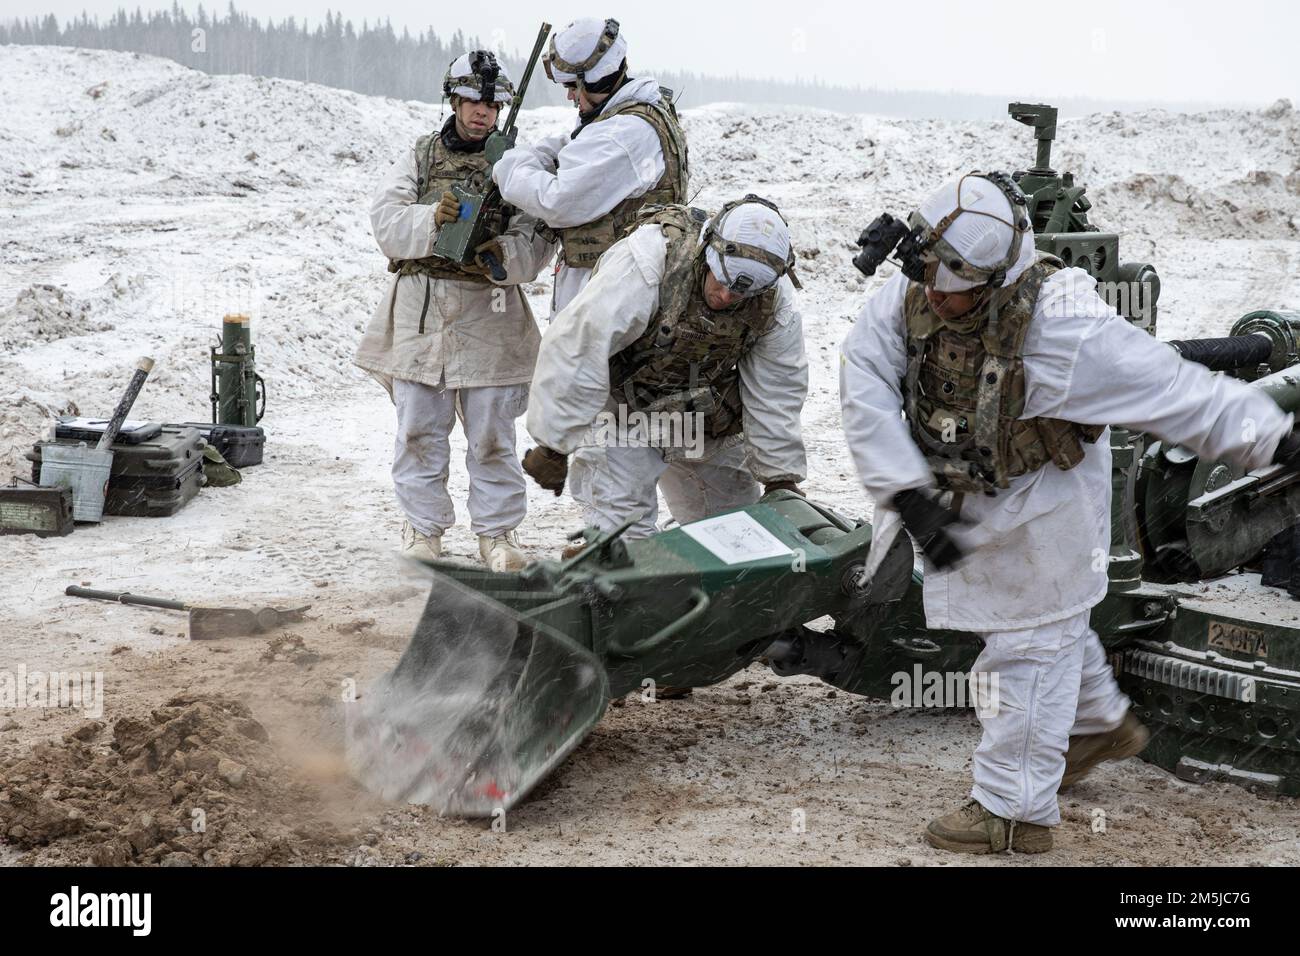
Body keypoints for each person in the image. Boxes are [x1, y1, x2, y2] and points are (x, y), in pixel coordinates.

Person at [839, 171, 1296, 854]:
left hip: (1045, 508)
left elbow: (1175, 392)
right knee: (1048, 631)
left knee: (1029, 647)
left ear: (992, 281)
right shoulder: (922, 286)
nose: (933, 296)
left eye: (949, 288)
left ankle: (1013, 811)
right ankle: (1096, 725)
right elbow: (864, 372)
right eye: (927, 278)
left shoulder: (1064, 325)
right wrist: (905, 491)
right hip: (964, 492)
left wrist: (1274, 439)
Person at [354, 51, 554, 571]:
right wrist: (433, 220)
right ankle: (423, 529)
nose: (482, 112)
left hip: (489, 311)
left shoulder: (516, 164)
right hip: (421, 308)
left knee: (492, 434)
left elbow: (535, 235)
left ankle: (498, 533)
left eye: (491, 104)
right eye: (471, 101)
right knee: (419, 429)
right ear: (453, 101)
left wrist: (500, 255)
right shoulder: (421, 157)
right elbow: (386, 222)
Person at [521, 196, 808, 544]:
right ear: (708, 248)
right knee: (626, 543)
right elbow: (579, 347)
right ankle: (608, 562)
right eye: (721, 280)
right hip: (622, 413)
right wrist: (553, 444)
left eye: (739, 294)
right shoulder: (647, 261)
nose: (725, 296)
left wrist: (780, 478)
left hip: (701, 413)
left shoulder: (774, 301)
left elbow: (777, 388)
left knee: (742, 537)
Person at [492, 17, 689, 316]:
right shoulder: (623, 119)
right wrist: (531, 157)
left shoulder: (624, 133)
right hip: (610, 287)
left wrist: (505, 168)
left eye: (573, 86)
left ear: (595, 79)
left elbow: (557, 201)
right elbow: (572, 146)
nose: (570, 96)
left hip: (611, 299)